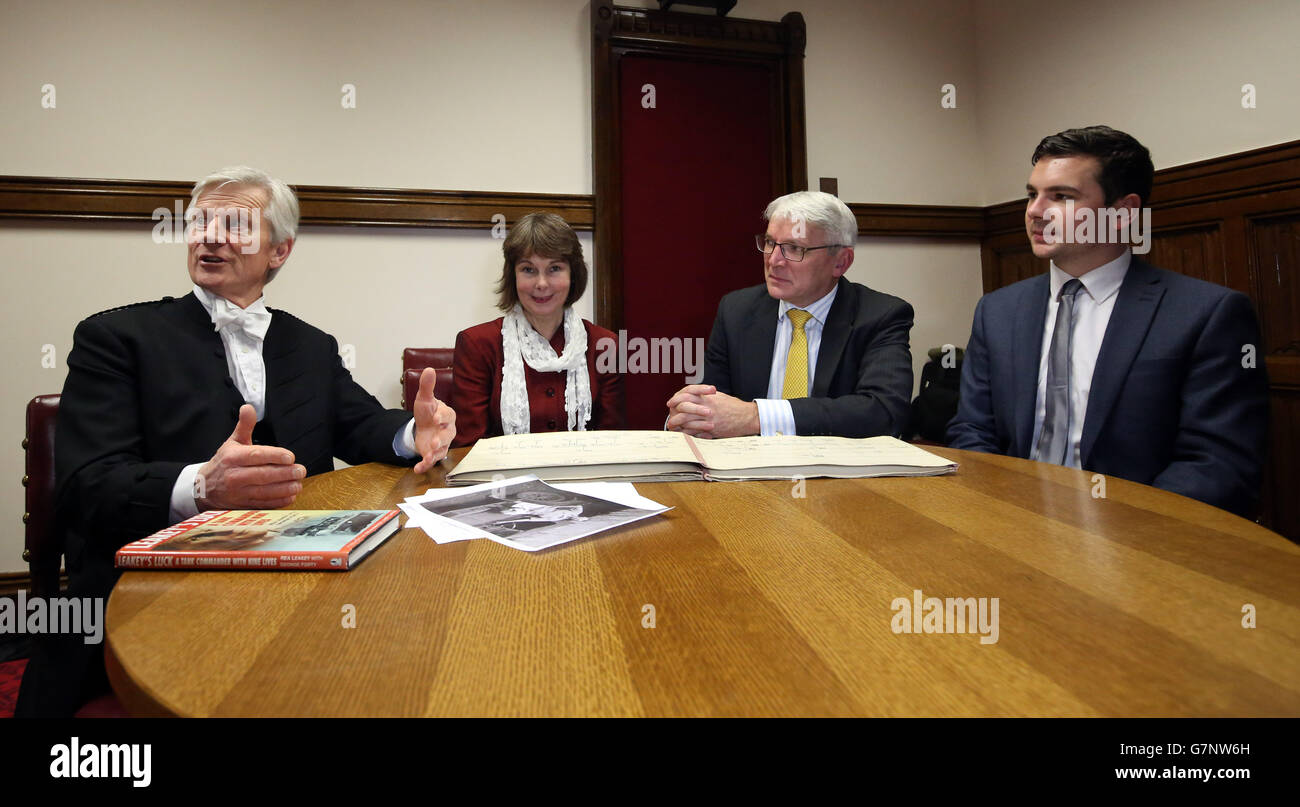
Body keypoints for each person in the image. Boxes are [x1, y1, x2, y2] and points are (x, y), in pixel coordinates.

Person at [17, 166, 456, 716]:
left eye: (236, 225)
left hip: (302, 585)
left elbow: (363, 425)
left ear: (279, 252)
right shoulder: (115, 338)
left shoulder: (311, 346)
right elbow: (87, 487)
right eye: (201, 222)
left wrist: (415, 432)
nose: (211, 236)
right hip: (152, 590)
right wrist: (200, 486)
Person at [946, 126, 1268, 516]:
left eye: (1061, 196)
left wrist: (1119, 538)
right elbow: (973, 431)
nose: (1034, 211)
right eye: (1032, 194)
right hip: (1013, 525)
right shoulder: (997, 310)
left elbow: (1217, 463)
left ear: (1123, 212)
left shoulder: (1206, 313)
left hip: (1142, 541)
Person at [666, 190, 914, 438]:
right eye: (771, 243)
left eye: (794, 249)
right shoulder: (736, 311)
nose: (774, 260)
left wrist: (758, 417)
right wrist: (690, 414)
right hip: (750, 471)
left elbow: (884, 413)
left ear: (841, 262)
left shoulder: (881, 316)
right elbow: (712, 401)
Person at [451, 212, 624, 446]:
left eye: (554, 268)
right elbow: (467, 448)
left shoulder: (605, 345)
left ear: (573, 275)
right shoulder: (477, 344)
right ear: (512, 276)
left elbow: (613, 442)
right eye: (528, 269)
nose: (541, 283)